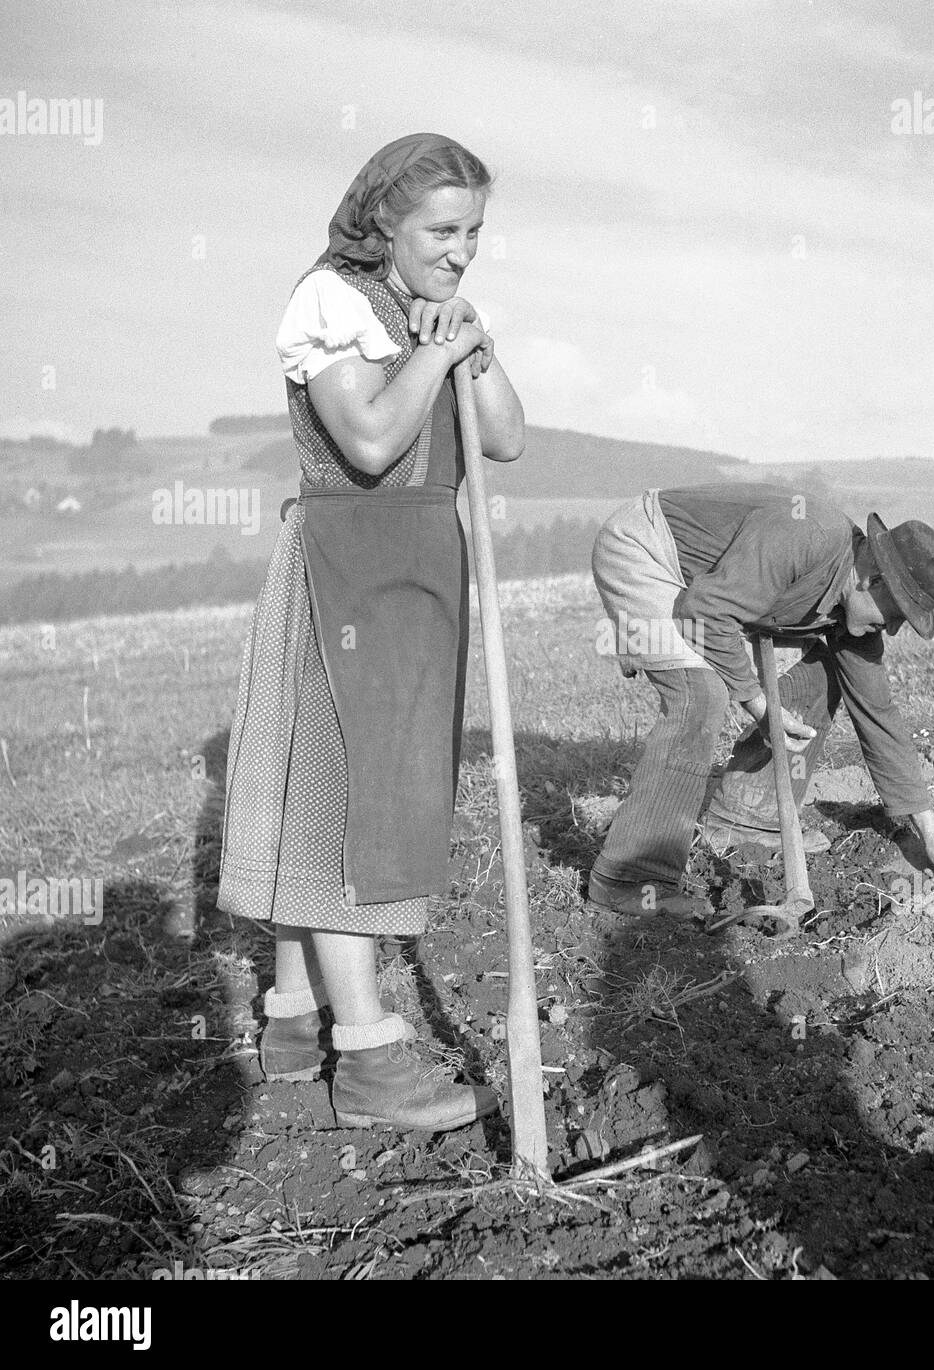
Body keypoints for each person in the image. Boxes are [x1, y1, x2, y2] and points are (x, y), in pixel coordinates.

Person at [217, 133, 524, 1131]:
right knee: (350, 798)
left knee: (352, 784)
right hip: (350, 558)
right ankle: (372, 1060)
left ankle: (294, 1015)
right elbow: (372, 439)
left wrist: (469, 339)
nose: (461, 248)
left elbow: (508, 435)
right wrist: (435, 350)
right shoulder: (331, 301)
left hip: (415, 561)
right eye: (442, 229)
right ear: (381, 220)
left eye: (473, 230)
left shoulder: (431, 313)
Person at [587, 483, 934, 920]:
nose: (896, 628)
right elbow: (705, 612)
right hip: (650, 552)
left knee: (821, 672)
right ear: (873, 579)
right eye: (898, 613)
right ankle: (627, 880)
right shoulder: (807, 536)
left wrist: (932, 834)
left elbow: (878, 716)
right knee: (701, 695)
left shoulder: (851, 605)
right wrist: (756, 701)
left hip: (711, 588)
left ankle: (746, 818)